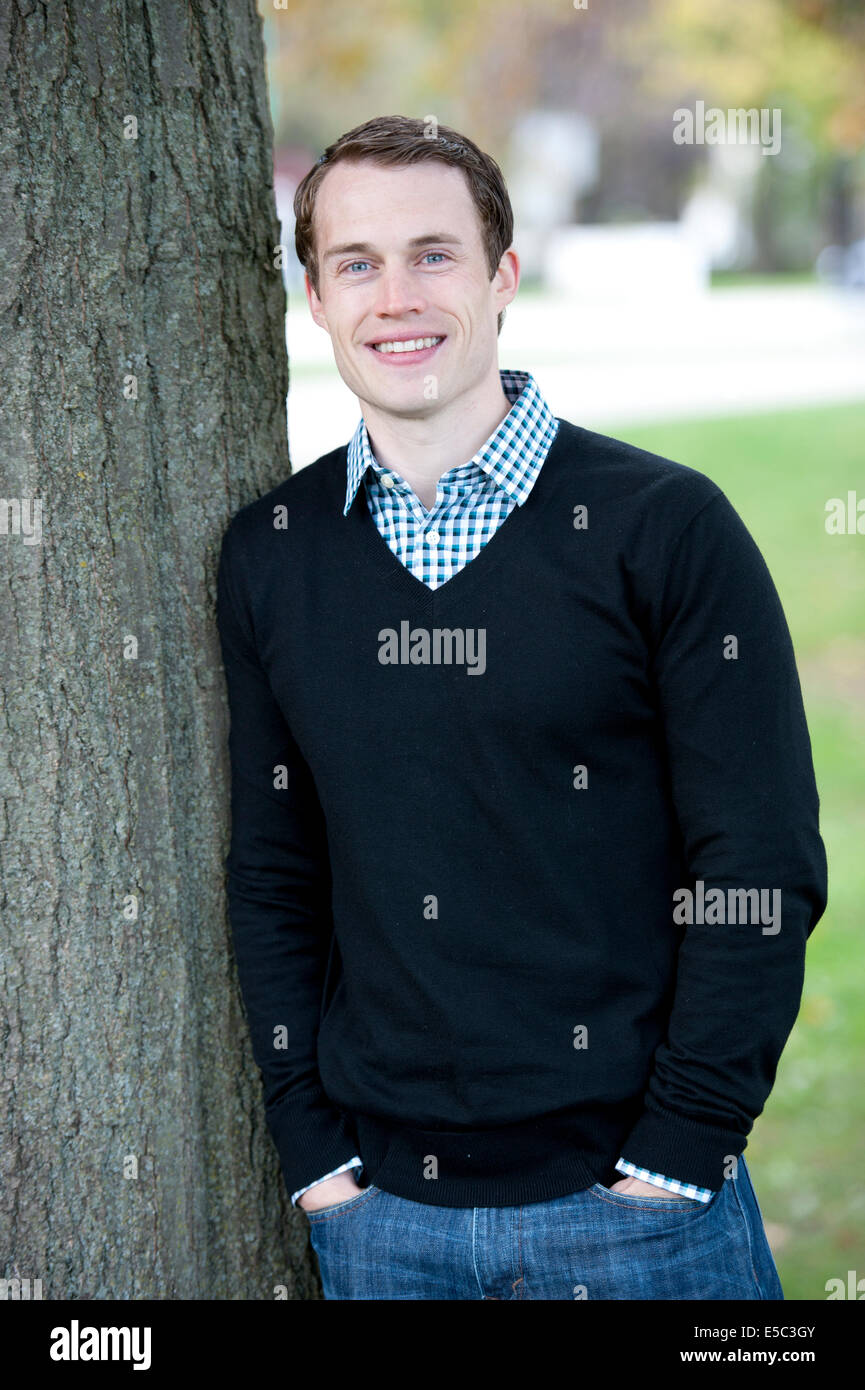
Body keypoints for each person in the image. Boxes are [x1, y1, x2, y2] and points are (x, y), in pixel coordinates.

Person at [215, 115, 828, 1300]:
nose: (396, 296)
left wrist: (679, 1151)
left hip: (642, 1218)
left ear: (502, 276)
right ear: (315, 297)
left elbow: (756, 857)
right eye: (357, 262)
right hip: (383, 1223)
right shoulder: (273, 556)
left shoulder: (663, 529)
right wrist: (316, 1163)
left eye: (433, 254)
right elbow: (274, 869)